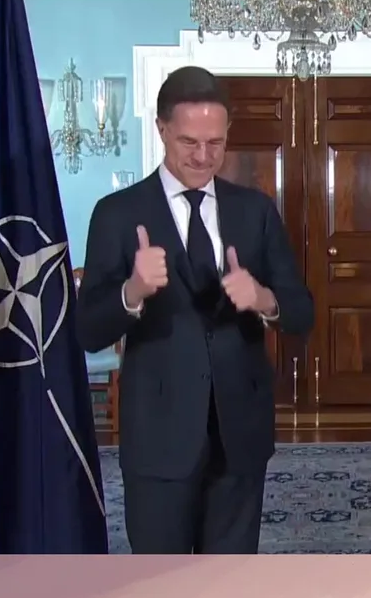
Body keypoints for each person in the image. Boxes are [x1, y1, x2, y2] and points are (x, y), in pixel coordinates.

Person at [76, 66, 314, 553]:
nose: (204, 156)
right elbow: (88, 331)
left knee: (227, 584)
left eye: (215, 143)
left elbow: (302, 312)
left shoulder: (255, 211)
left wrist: (263, 298)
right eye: (189, 142)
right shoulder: (117, 213)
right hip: (157, 438)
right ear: (161, 128)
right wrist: (133, 291)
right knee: (162, 584)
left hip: (240, 436)